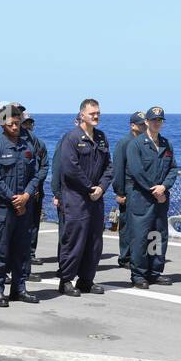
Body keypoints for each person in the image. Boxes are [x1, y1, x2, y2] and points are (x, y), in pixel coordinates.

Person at [0, 105, 42, 306]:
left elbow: (37, 171)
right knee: (1, 250)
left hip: (24, 206)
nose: (16, 127)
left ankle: (19, 288)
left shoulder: (28, 143)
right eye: (12, 123)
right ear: (2, 123)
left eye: (18, 123)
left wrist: (26, 195)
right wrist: (14, 199)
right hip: (3, 208)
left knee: (22, 249)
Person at [54, 99, 112, 296]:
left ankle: (86, 280)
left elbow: (108, 167)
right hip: (77, 198)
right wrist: (89, 188)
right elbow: (70, 169)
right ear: (81, 115)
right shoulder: (71, 138)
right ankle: (66, 280)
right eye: (92, 113)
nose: (95, 116)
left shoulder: (101, 137)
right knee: (75, 240)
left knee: (94, 241)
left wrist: (101, 188)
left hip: (96, 198)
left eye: (98, 113)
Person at [123, 106, 177, 288]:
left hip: (161, 200)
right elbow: (137, 171)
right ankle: (138, 274)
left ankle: (154, 272)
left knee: (157, 236)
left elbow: (173, 169)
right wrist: (155, 191)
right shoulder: (136, 144)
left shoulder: (166, 144)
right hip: (142, 199)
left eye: (160, 120)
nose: (157, 123)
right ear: (146, 122)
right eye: (153, 120)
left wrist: (164, 187)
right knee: (140, 238)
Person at [112, 112, 146, 267]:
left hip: (142, 189)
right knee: (126, 225)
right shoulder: (124, 143)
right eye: (141, 124)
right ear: (133, 125)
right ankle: (125, 257)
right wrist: (119, 192)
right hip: (128, 188)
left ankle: (138, 254)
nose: (144, 126)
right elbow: (118, 168)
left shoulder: (145, 142)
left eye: (145, 124)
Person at [21, 113, 48, 264]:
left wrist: (37, 183)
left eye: (30, 124)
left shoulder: (40, 144)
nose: (28, 126)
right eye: (25, 123)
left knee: (33, 224)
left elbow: (44, 166)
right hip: (22, 190)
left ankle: (30, 253)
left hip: (37, 190)